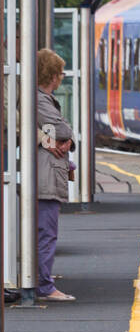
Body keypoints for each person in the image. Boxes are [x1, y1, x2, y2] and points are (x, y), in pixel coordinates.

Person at [36, 48, 75, 302]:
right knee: (46, 233)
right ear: (52, 76)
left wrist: (60, 139)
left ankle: (42, 281)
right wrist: (66, 135)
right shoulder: (41, 100)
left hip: (48, 173)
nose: (61, 77)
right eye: (60, 73)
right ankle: (44, 285)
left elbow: (51, 131)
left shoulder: (41, 101)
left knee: (45, 232)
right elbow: (60, 127)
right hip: (45, 175)